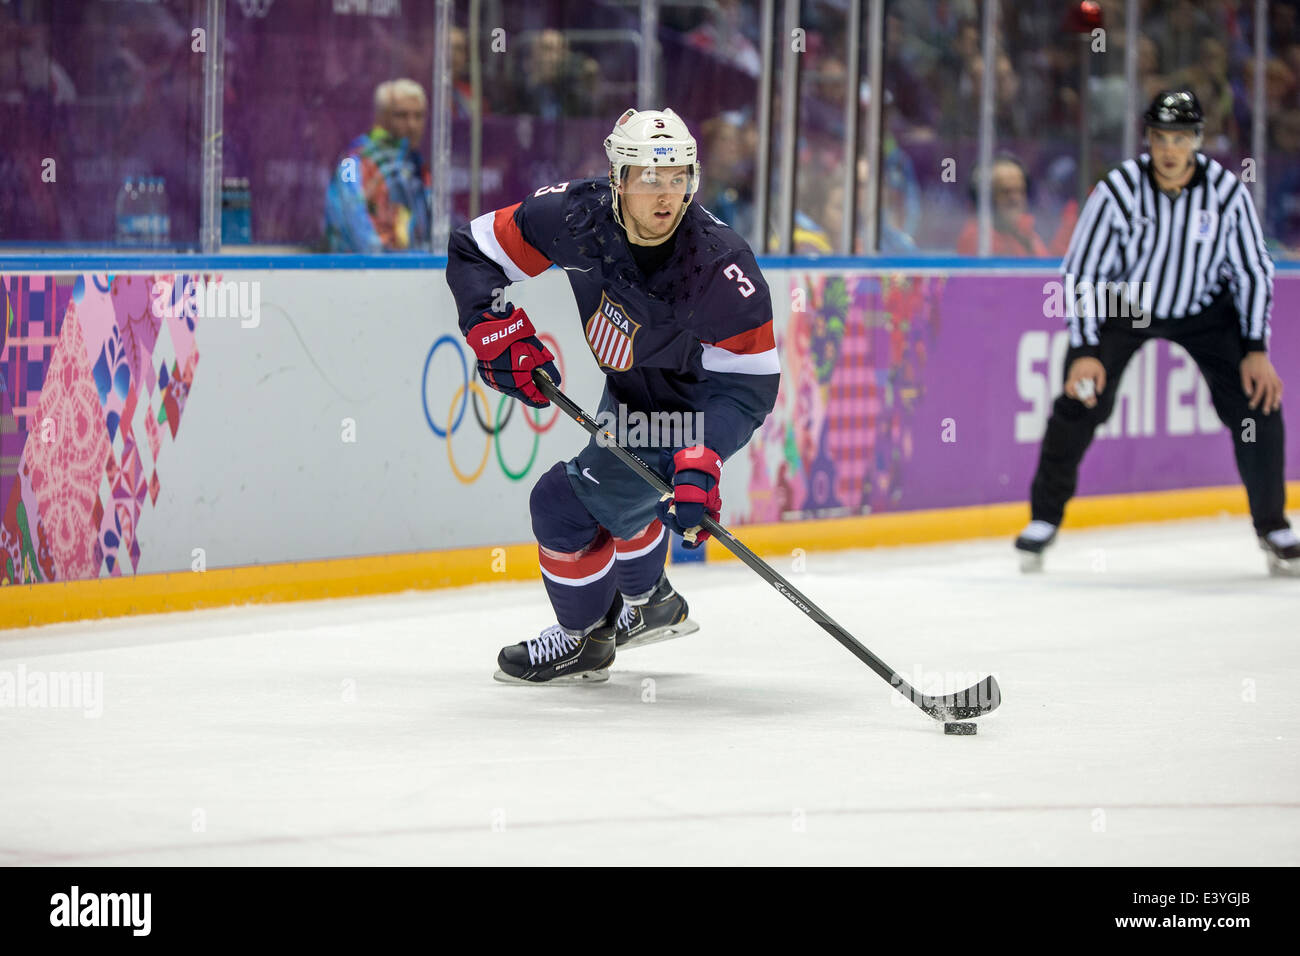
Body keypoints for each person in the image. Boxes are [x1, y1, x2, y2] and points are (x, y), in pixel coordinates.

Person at [445, 108, 780, 682]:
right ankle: (650, 602)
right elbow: (476, 249)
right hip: (627, 391)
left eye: (679, 177)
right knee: (618, 495)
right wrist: (493, 328)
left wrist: (702, 455)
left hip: (685, 414)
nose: (666, 193)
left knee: (561, 506)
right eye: (651, 177)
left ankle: (584, 639)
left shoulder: (719, 265)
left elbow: (748, 384)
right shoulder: (575, 216)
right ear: (618, 177)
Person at [1015, 90, 1297, 576]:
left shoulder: (1227, 193)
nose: (1170, 149)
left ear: (1197, 141)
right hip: (1128, 305)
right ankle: (1043, 518)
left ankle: (1272, 524)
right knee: (1080, 399)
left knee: (1258, 402)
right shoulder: (1119, 190)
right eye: (1161, 137)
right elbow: (1083, 272)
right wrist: (1085, 347)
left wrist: (1254, 347)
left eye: (1181, 138)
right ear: (1148, 139)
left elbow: (1252, 269)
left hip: (1205, 308)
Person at [324, 79, 431, 252]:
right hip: (362, 273)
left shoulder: (417, 166)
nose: (412, 125)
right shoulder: (355, 164)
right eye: (401, 115)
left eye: (418, 116)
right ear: (381, 117)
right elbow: (361, 238)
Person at [955, 156, 1050, 257]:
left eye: (1020, 191)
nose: (1015, 198)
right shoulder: (977, 238)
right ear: (986, 198)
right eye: (1005, 192)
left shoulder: (1026, 233)